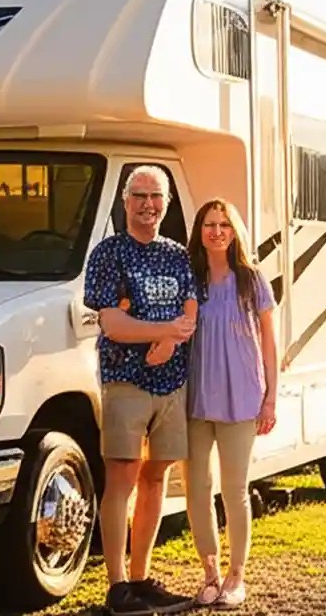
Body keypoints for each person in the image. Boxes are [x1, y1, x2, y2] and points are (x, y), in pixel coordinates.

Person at [83, 165, 200, 615]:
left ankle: (141, 577)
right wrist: (161, 330)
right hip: (125, 380)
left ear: (167, 203)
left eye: (156, 197)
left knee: (156, 477)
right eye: (139, 196)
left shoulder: (176, 254)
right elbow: (112, 324)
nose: (148, 205)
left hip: (171, 382)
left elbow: (189, 312)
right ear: (125, 201)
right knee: (123, 476)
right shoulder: (108, 253)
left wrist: (167, 338)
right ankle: (117, 587)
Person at [182, 197, 279, 608]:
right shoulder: (189, 277)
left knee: (234, 489)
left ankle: (236, 577)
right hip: (196, 398)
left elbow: (270, 343)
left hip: (242, 398)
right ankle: (209, 573)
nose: (216, 231)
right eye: (209, 224)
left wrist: (271, 397)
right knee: (196, 488)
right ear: (199, 231)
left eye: (224, 223)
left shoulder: (251, 279)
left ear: (234, 230)